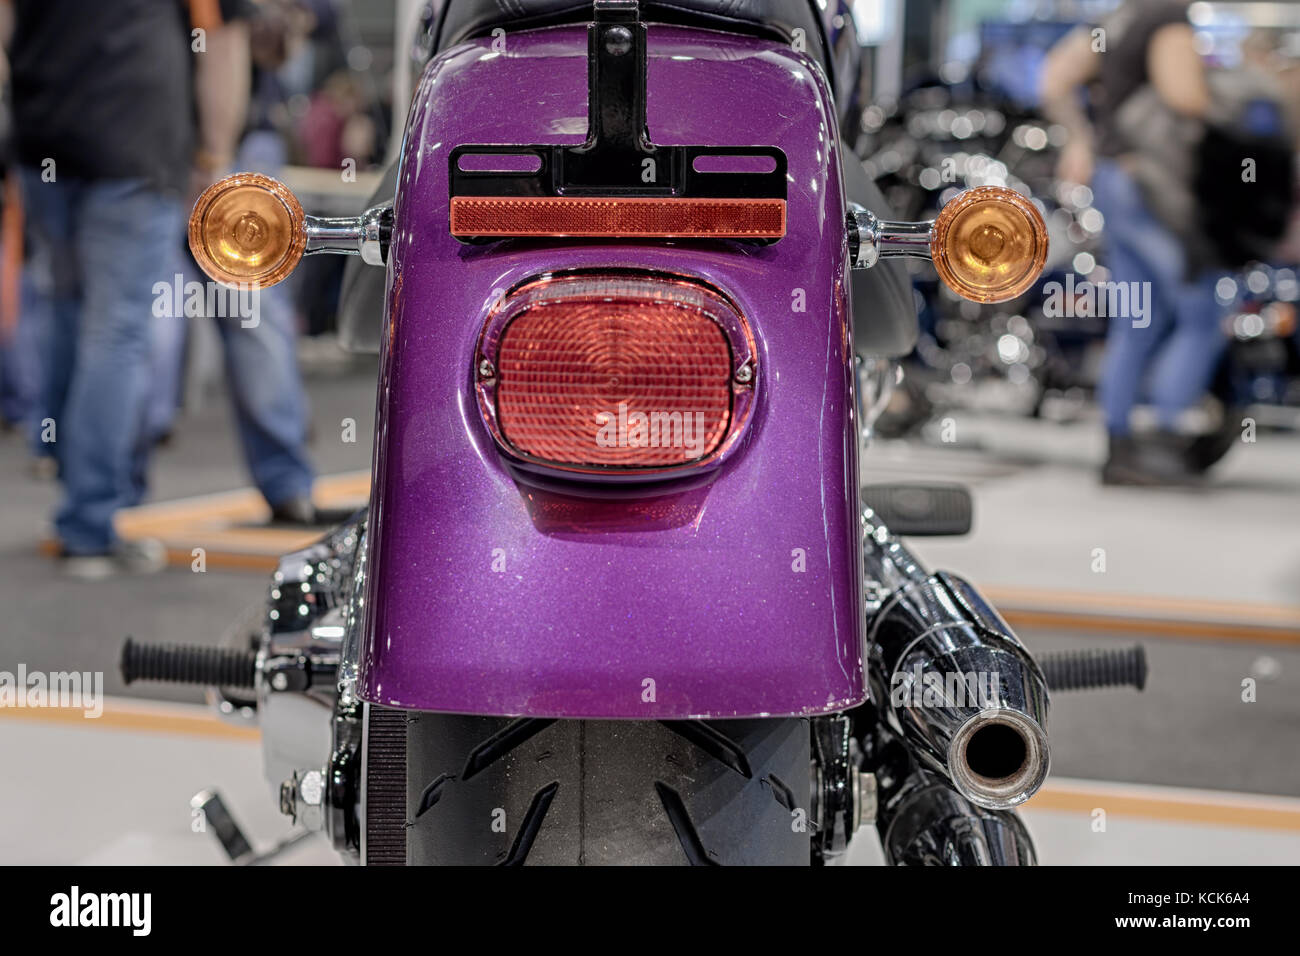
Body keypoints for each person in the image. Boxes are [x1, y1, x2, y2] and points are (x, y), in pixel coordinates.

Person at [1041, 1, 1229, 485]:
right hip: (1153, 183)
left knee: (1137, 316)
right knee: (1203, 308)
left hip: (1115, 177)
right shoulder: (1167, 17)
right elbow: (1185, 95)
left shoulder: (1118, 18)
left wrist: (1080, 138)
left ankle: (1120, 444)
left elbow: (1056, 75)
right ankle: (1164, 437)